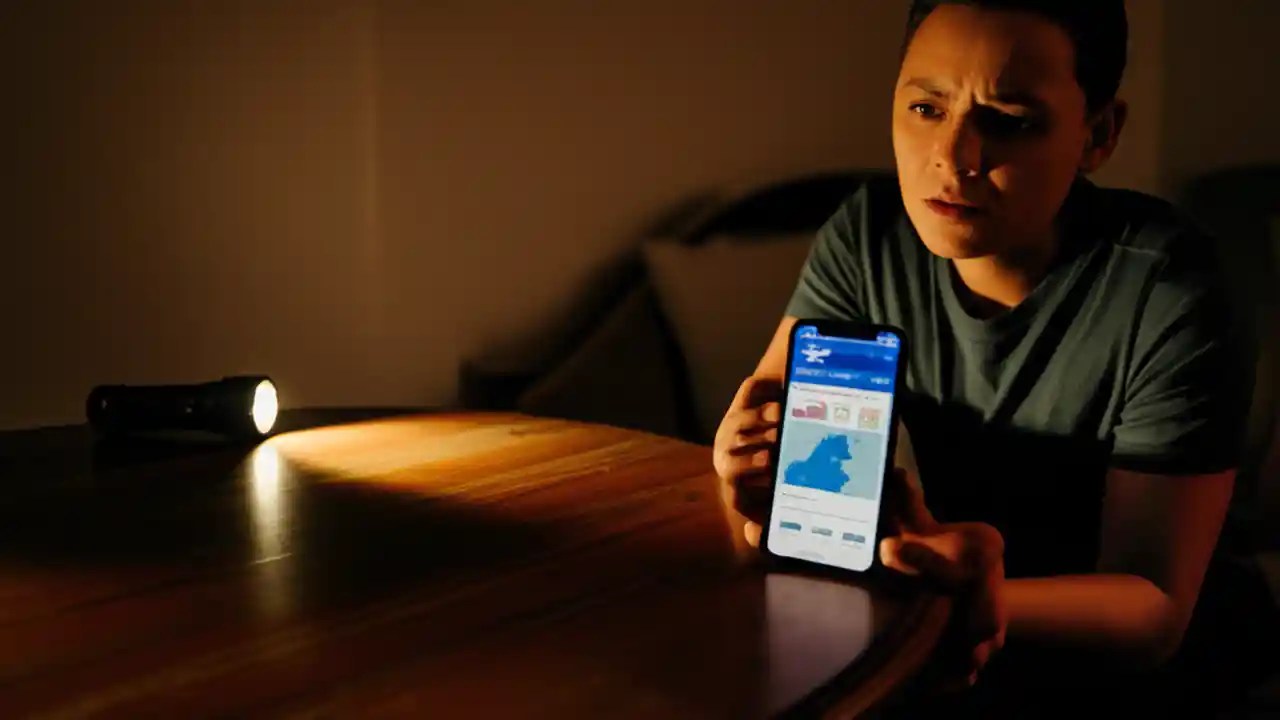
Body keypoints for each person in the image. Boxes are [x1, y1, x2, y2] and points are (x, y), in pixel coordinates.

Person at [713, 1, 1273, 716]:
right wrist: (744, 462)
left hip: (1134, 656)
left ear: (1097, 135)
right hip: (942, 602)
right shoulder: (870, 233)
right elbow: (772, 424)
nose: (952, 157)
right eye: (925, 108)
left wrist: (961, 598)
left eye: (1008, 121)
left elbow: (1155, 609)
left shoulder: (1171, 288)